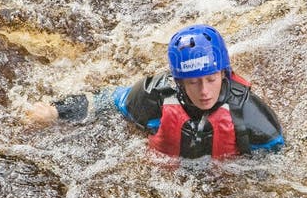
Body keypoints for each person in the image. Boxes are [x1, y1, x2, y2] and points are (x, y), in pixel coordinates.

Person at [24, 24, 284, 159]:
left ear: (224, 73)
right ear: (179, 80)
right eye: (193, 82)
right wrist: (56, 110)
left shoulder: (250, 114)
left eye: (211, 79)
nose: (205, 91)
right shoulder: (155, 94)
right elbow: (108, 99)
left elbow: (279, 160)